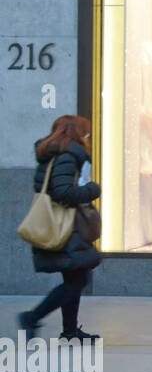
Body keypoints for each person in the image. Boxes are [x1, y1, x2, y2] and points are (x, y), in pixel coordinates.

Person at [19, 115, 102, 341]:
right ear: (77, 132)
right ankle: (32, 317)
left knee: (74, 277)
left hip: (60, 223)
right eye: (86, 132)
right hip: (66, 226)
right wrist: (93, 190)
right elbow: (63, 192)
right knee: (78, 280)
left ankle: (69, 330)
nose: (88, 137)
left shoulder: (51, 154)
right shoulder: (68, 155)